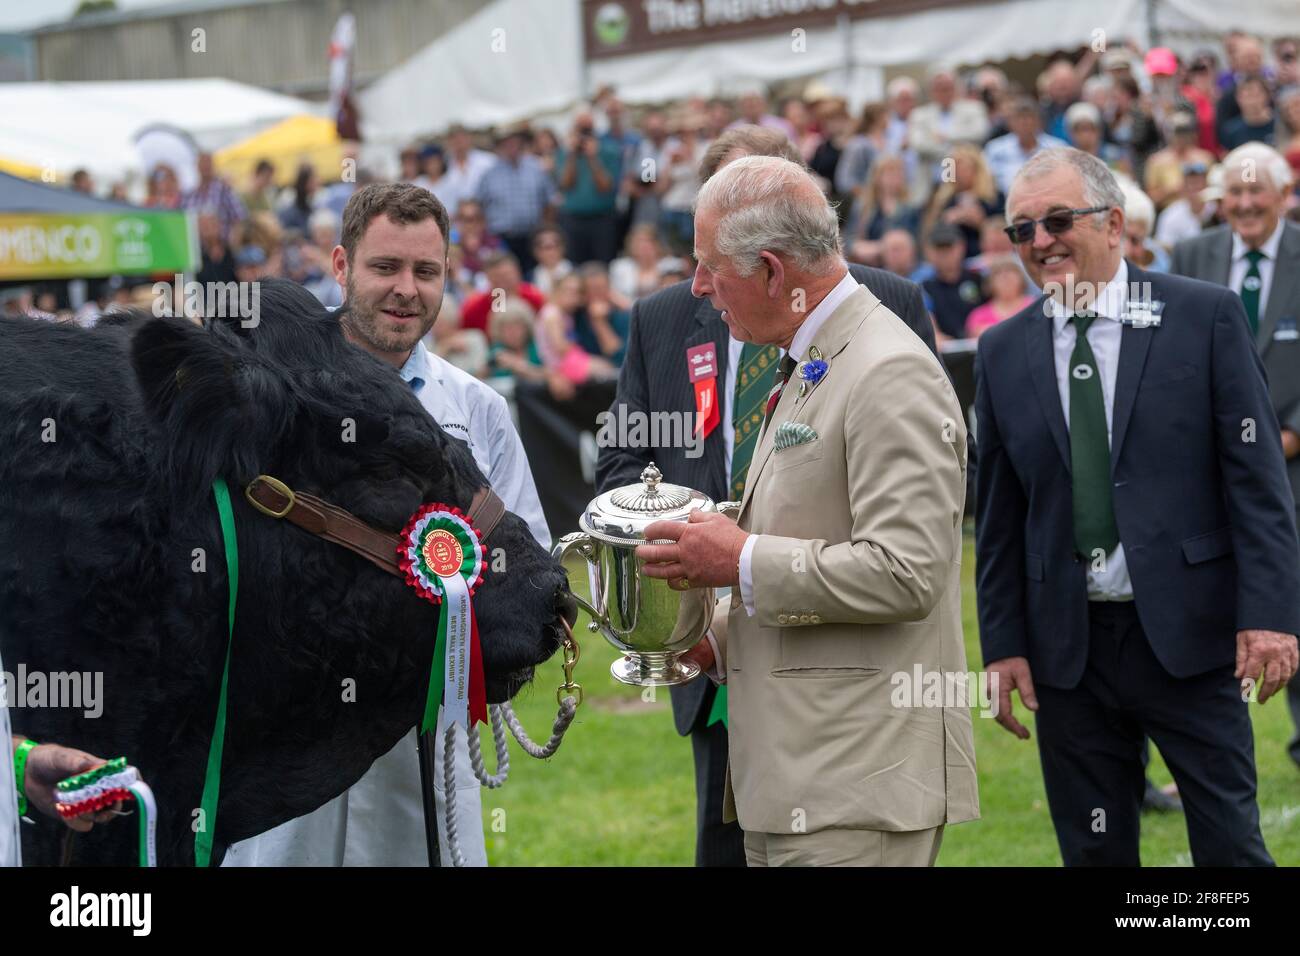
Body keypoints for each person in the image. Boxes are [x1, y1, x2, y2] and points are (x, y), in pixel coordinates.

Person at [595, 131, 935, 869]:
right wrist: (713, 633)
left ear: (772, 268)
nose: (697, 288)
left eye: (709, 268)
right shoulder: (810, 358)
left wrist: (738, 558)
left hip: (852, 778)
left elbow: (908, 571)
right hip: (791, 763)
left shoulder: (884, 367)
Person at [974, 147, 1300, 866]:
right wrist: (1002, 645)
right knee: (1094, 853)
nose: (1040, 242)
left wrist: (1271, 616)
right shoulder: (1000, 351)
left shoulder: (1202, 316)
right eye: (1021, 230)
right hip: (1069, 653)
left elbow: (1257, 484)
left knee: (1230, 851)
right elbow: (997, 520)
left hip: (1190, 636)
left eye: (1058, 220)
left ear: (1115, 222)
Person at [223, 183, 549, 868]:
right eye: (385, 268)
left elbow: (527, 563)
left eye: (425, 272)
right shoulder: (272, 397)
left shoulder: (479, 408)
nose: (406, 290)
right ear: (341, 267)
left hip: (425, 744)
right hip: (292, 737)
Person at [1171, 143, 1300, 768]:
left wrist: (1291, 432)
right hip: (1207, 470)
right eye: (1236, 195)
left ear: (1283, 195)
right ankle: (1208, 744)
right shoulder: (1194, 256)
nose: (1246, 205)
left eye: (1258, 193)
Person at [476, 124, 558, 275]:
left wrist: (545, 228)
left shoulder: (536, 167)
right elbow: (479, 207)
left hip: (532, 237)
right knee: (504, 278)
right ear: (499, 146)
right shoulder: (489, 175)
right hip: (502, 238)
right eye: (506, 142)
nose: (511, 146)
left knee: (535, 277)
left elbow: (550, 201)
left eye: (514, 141)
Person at [909, 68, 990, 187]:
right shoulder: (919, 115)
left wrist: (947, 137)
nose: (944, 92)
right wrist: (955, 154)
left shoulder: (974, 108)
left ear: (956, 88)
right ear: (931, 91)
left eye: (947, 88)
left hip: (969, 184)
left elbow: (979, 133)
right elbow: (919, 145)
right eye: (939, 88)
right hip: (932, 183)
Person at [985, 96, 1069, 196]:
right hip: (1004, 203)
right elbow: (985, 181)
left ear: (1039, 121)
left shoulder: (1058, 147)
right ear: (1010, 122)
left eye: (1029, 117)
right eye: (1019, 118)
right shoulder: (995, 149)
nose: (1024, 122)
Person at [921, 223, 987, 342]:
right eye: (939, 248)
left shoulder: (979, 278)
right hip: (946, 352)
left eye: (949, 247)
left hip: (981, 343)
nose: (944, 253)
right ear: (929, 252)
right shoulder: (925, 288)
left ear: (961, 247)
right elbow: (927, 319)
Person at [433, 124, 496, 218]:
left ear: (469, 138)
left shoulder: (488, 161)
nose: (458, 142)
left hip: (485, 218)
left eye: (461, 138)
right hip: (455, 221)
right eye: (454, 139)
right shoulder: (443, 165)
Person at [183, 152, 247, 243]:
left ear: (213, 166)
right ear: (197, 166)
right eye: (202, 163)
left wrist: (233, 242)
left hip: (223, 247)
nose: (205, 167)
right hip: (197, 247)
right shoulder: (189, 196)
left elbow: (240, 218)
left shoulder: (224, 191)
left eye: (208, 163)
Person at [965, 255, 1033, 337]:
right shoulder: (978, 315)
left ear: (1021, 278)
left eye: (1010, 271)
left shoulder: (1035, 307)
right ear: (990, 282)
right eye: (998, 273)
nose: (1005, 277)